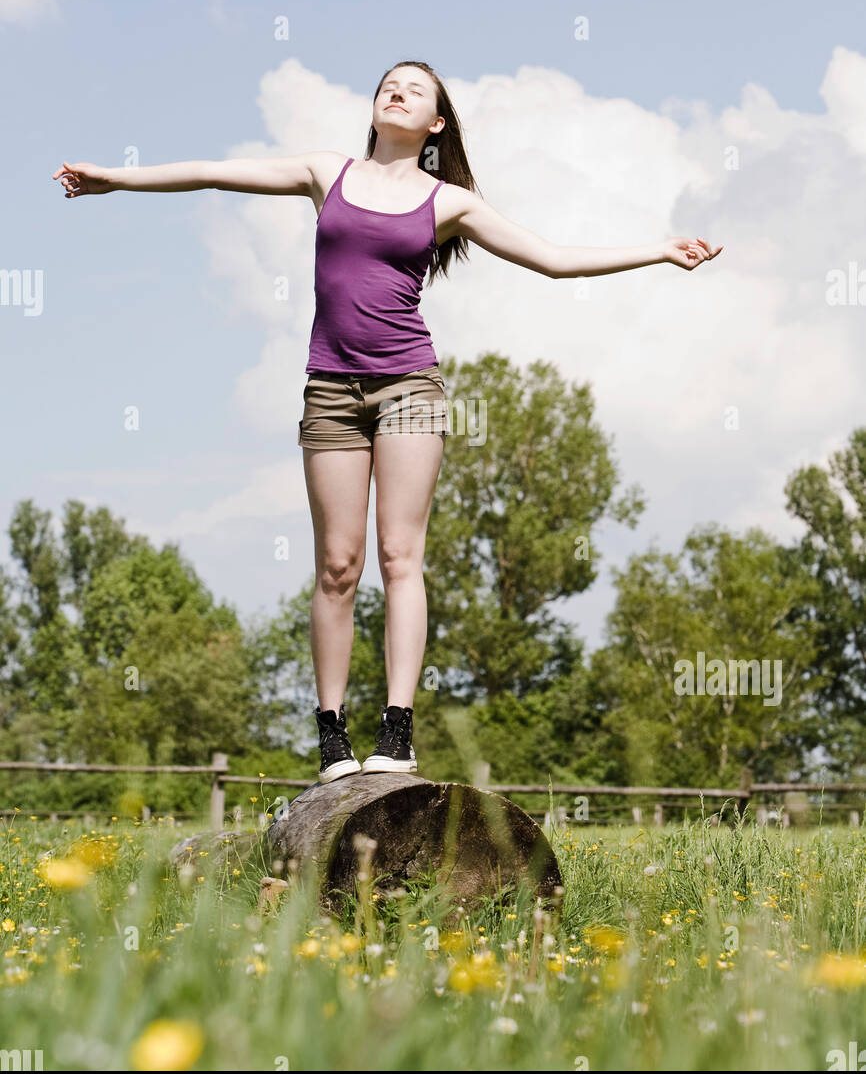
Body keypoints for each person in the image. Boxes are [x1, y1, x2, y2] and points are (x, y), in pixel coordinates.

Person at [53, 59, 722, 784]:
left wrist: (658, 250)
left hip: (410, 387)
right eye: (387, 85)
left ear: (435, 123)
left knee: (401, 556)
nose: (395, 92)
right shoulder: (324, 173)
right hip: (331, 391)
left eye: (414, 90)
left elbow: (555, 260)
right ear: (374, 108)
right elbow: (217, 171)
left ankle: (397, 732)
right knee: (338, 568)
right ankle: (331, 735)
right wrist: (118, 178)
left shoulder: (449, 202)